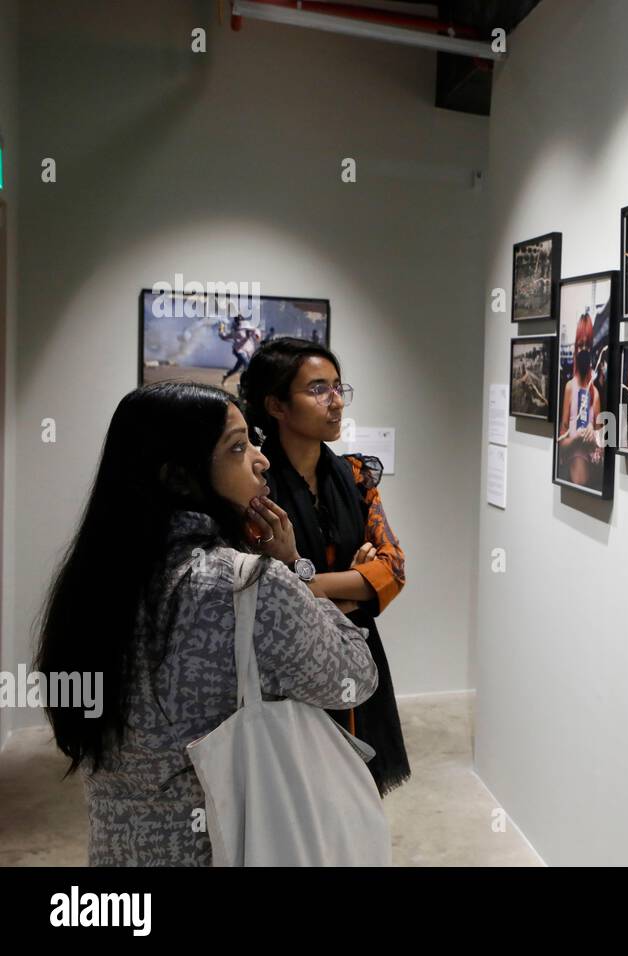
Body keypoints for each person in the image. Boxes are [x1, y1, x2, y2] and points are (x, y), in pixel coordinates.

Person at [34, 382, 378, 866]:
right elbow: (354, 678)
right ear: (179, 476)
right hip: (224, 847)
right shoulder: (248, 586)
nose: (261, 459)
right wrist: (296, 569)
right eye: (237, 448)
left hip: (118, 851)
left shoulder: (95, 582)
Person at [240, 338, 411, 797]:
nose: (335, 402)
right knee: (301, 805)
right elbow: (260, 592)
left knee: (356, 805)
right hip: (291, 667)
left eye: (338, 387)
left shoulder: (355, 476)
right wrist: (353, 589)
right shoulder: (256, 490)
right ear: (276, 404)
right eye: (318, 390)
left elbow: (392, 572)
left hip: (359, 654)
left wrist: (301, 577)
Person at [558, 309, 603, 486]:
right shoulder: (569, 387)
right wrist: (576, 437)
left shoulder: (596, 393)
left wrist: (594, 436)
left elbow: (602, 445)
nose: (583, 350)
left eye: (587, 346)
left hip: (589, 468)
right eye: (580, 345)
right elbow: (561, 442)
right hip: (572, 465)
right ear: (575, 347)